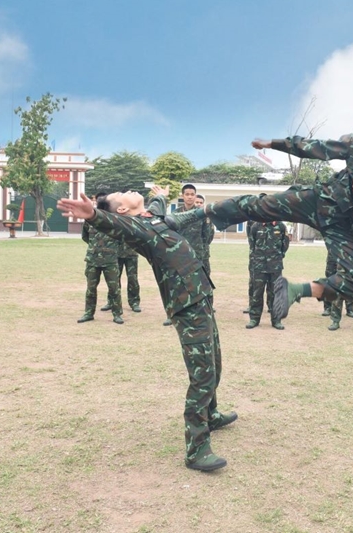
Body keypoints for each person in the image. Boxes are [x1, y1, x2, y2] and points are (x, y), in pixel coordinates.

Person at [205, 92, 353, 323]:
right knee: (262, 205)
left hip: (348, 228)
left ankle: (296, 290)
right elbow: (318, 147)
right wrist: (273, 144)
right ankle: (199, 212)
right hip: (322, 202)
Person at [57, 189, 236, 472]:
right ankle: (196, 449)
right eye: (121, 194)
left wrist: (163, 196)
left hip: (201, 296)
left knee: (214, 361)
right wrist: (93, 214)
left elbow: (158, 205)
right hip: (186, 304)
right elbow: (113, 223)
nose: (127, 190)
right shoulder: (135, 227)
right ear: (124, 211)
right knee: (202, 374)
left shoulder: (153, 217)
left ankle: (211, 414)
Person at [162, 184, 211, 326]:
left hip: (198, 255)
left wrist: (200, 249)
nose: (190, 197)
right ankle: (173, 314)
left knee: (202, 284)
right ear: (182, 196)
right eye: (187, 194)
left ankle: (204, 314)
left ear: (195, 196)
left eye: (192, 194)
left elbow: (207, 236)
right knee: (176, 285)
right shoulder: (175, 214)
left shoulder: (202, 214)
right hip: (179, 255)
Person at [78, 195, 124, 325]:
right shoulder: (89, 220)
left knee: (114, 289)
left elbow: (122, 239)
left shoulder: (115, 221)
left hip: (110, 261)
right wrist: (95, 247)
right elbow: (85, 236)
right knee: (91, 288)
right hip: (93, 260)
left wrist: (111, 249)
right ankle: (88, 313)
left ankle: (117, 314)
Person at [246, 219, 289, 330]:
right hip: (259, 266)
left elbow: (285, 244)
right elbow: (252, 244)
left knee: (275, 293)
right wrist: (257, 260)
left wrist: (278, 257)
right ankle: (254, 319)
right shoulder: (256, 226)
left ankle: (276, 320)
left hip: (275, 266)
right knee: (257, 293)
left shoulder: (281, 226)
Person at [323, 252, 353, 318]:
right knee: (329, 282)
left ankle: (350, 309)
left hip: (347, 258)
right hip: (333, 257)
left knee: (348, 283)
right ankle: (328, 308)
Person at [195, 194, 214, 276]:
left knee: (206, 276)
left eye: (201, 202)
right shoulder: (189, 217)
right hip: (192, 253)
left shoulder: (208, 217)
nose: (199, 204)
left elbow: (210, 235)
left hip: (204, 253)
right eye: (197, 202)